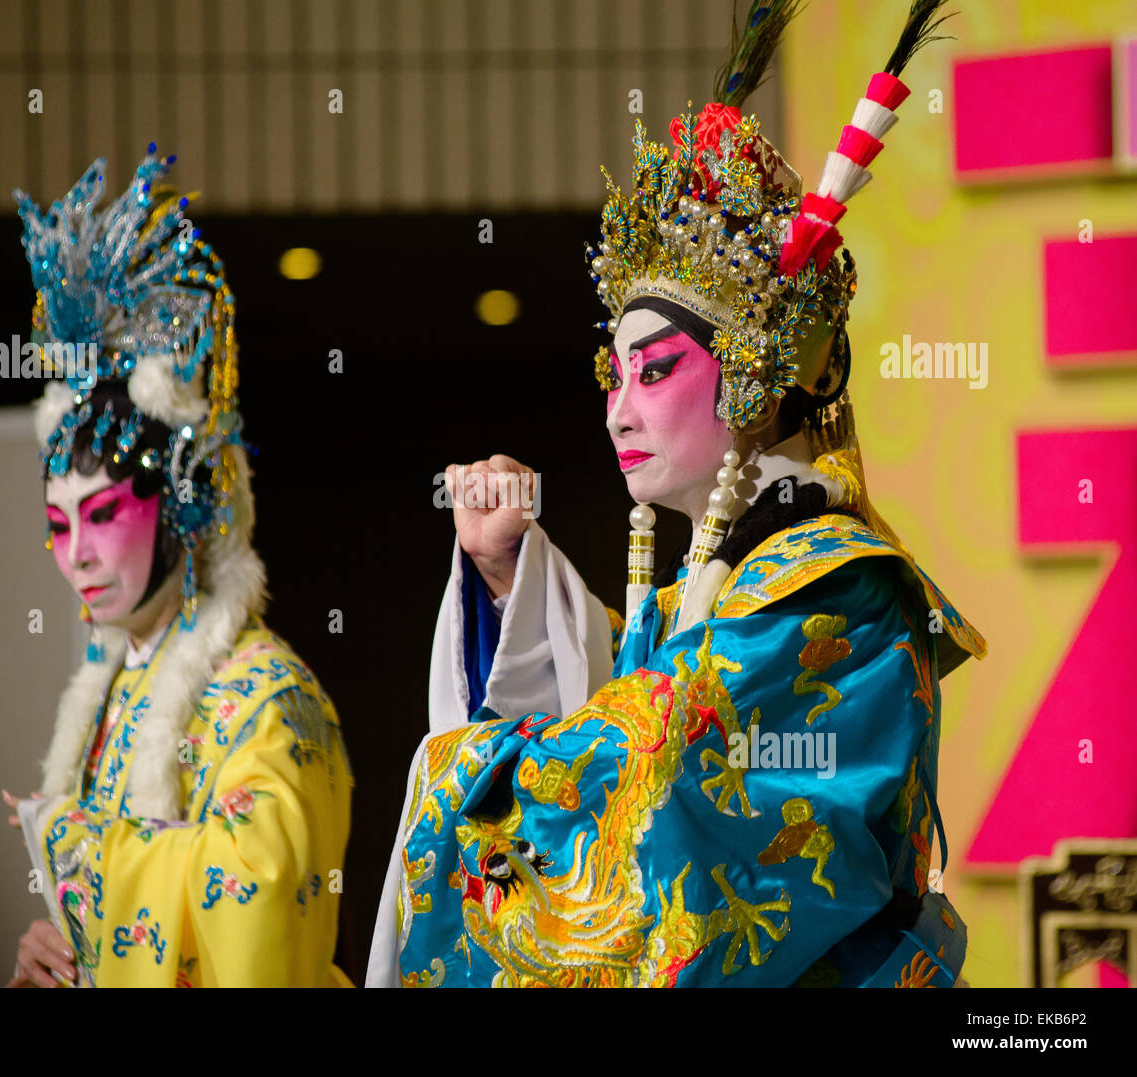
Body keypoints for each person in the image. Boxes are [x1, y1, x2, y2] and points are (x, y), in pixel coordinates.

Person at [367, 0, 984, 987]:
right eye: (611, 379)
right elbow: (626, 703)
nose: (616, 413)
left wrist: (455, 776)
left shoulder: (831, 590)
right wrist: (506, 575)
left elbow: (670, 771)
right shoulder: (705, 598)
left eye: (652, 373)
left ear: (751, 373)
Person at [3, 146, 352, 988]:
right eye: (57, 523)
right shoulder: (113, 688)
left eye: (103, 514)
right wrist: (54, 953)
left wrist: (84, 855)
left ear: (181, 503)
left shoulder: (273, 698)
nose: (75, 552)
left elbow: (261, 901)